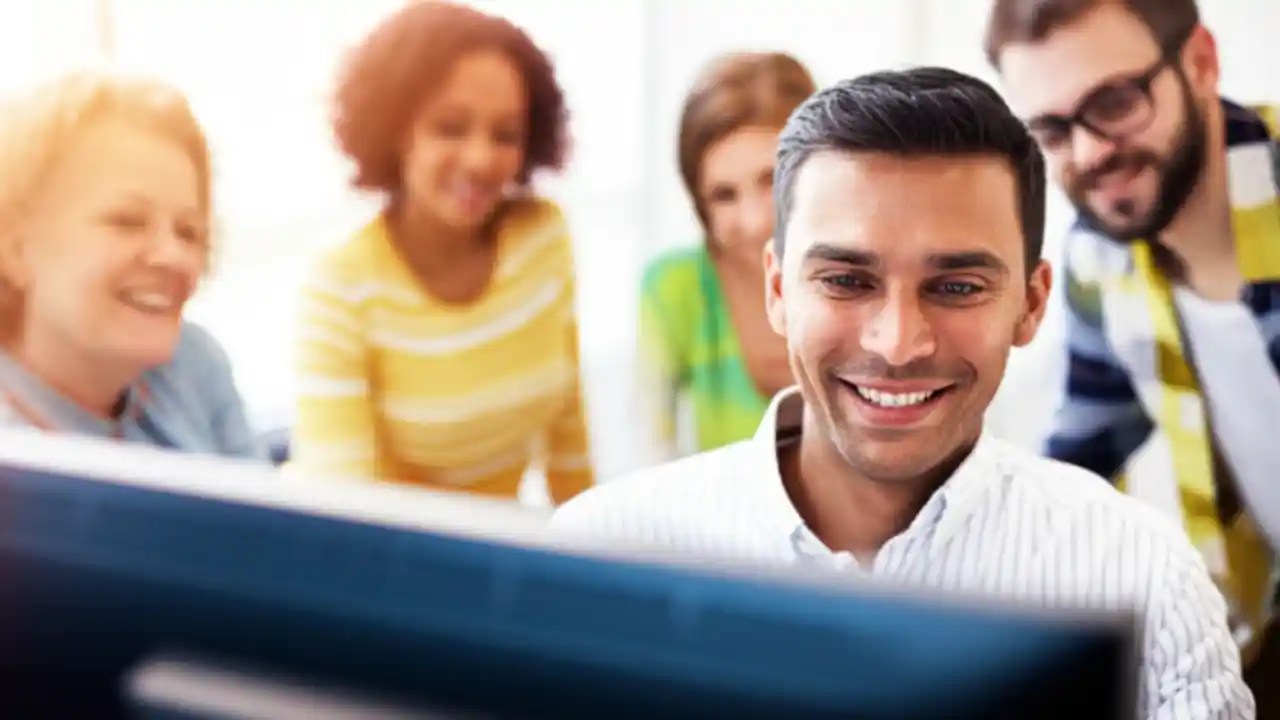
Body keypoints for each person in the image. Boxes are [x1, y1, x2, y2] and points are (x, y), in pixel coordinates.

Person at [553, 67, 1253, 718]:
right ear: (778, 291)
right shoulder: (602, 559)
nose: (897, 344)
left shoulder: (1140, 574)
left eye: (956, 288)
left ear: (1032, 304)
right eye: (847, 281)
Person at [985, 0, 1278, 704]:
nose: (1088, 153)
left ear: (1201, 63)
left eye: (1114, 102)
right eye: (1051, 130)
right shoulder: (1099, 259)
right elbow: (1079, 460)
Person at [292, 1, 593, 504]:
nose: (480, 159)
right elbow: (343, 510)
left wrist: (596, 552)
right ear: (395, 131)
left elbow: (569, 430)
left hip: (500, 546)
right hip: (391, 562)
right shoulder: (341, 283)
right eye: (450, 127)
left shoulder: (543, 236)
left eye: (505, 135)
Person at [0, 72, 260, 459]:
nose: (172, 255)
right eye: (127, 221)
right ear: (14, 250)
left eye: (189, 232)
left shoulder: (196, 367)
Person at [639, 52, 815, 460]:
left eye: (771, 180)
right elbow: (646, 463)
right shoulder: (675, 289)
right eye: (723, 195)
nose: (755, 222)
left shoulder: (879, 277)